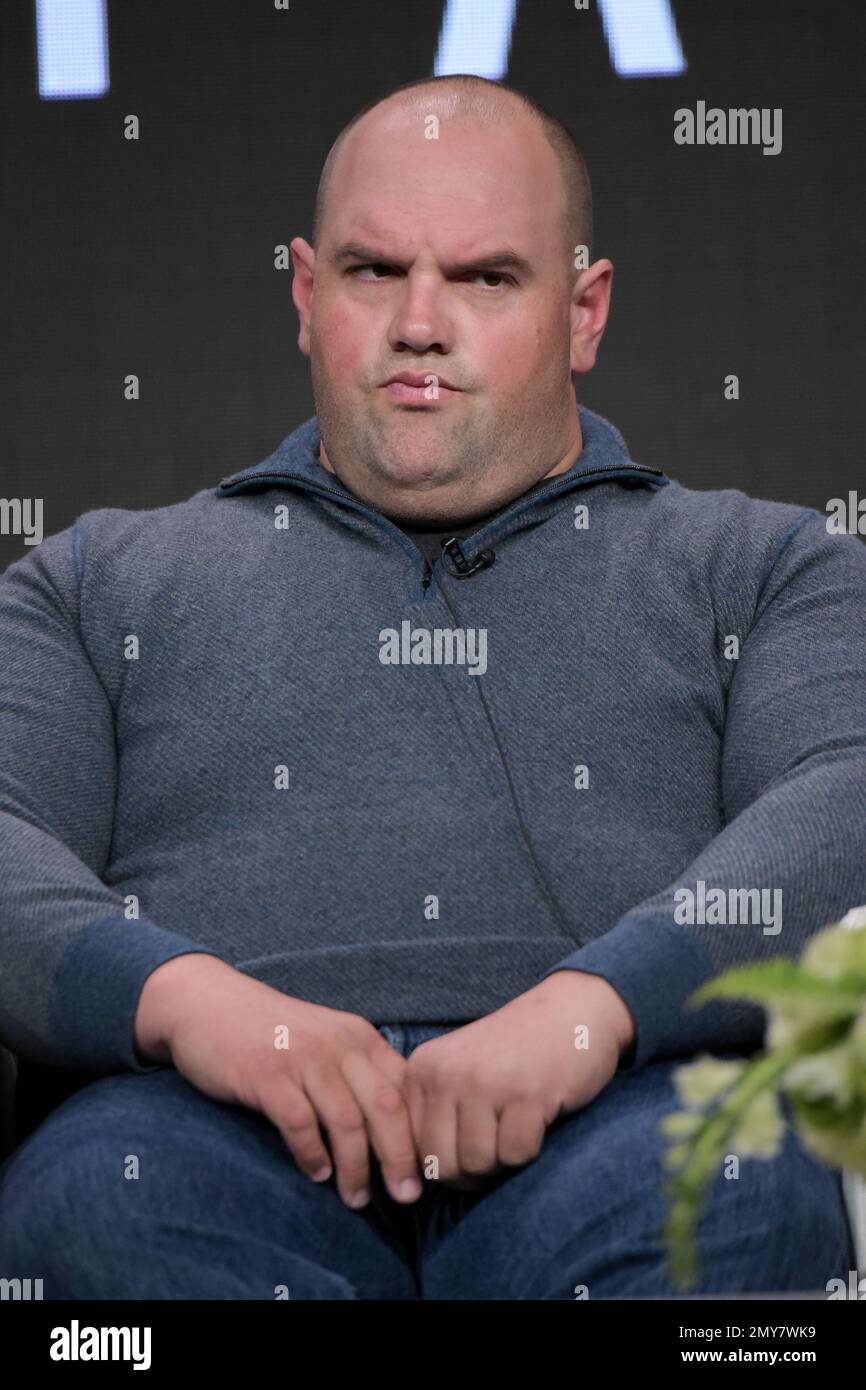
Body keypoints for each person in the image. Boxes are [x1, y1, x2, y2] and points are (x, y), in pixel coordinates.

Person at [0, 74, 862, 1300]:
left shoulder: (767, 565)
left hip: (626, 1113)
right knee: (87, 1215)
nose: (418, 322)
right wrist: (192, 1005)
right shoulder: (96, 581)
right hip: (192, 1134)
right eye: (370, 273)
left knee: (730, 1203)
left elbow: (846, 793)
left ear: (582, 308)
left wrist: (593, 1009)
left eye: (483, 278)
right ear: (306, 294)